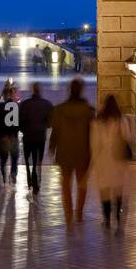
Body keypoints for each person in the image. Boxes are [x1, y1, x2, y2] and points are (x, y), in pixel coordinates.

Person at [49, 77, 95, 225]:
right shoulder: (88, 111)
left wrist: (51, 147)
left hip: (64, 151)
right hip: (82, 151)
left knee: (65, 184)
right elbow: (92, 133)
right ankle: (79, 213)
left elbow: (55, 131)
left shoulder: (59, 109)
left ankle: (68, 213)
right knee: (82, 184)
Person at [90, 95, 133, 231]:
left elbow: (94, 144)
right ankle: (118, 219)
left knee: (105, 191)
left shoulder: (97, 123)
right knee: (118, 190)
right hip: (118, 159)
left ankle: (107, 219)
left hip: (103, 160)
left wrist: (94, 161)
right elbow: (129, 138)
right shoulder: (121, 121)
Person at [18, 82, 53, 195]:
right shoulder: (47, 104)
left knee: (28, 159)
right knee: (37, 160)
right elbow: (49, 123)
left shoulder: (25, 104)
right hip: (40, 137)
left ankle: (29, 176)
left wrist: (23, 129)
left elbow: (20, 121)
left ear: (32, 90)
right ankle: (36, 180)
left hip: (28, 136)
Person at [0, 81, 20, 183]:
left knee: (3, 158)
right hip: (14, 136)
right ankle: (13, 173)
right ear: (11, 94)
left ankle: (3, 172)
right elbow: (19, 122)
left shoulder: (1, 107)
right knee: (14, 157)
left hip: (4, 137)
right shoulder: (16, 106)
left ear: (5, 95)